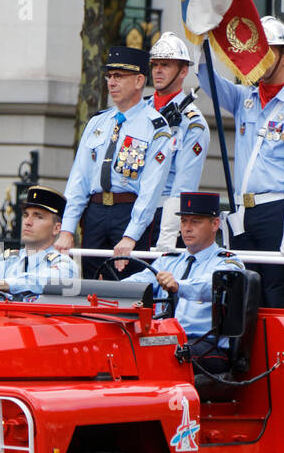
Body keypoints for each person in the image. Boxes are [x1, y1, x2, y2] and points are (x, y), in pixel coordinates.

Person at [198, 15, 284, 308]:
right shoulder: (244, 98)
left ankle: (280, 355)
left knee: (276, 294)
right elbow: (207, 79)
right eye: (258, 52)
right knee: (243, 298)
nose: (262, 59)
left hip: (277, 212)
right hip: (243, 211)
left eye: (270, 53)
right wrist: (201, 40)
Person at [57, 45, 176, 279]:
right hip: (95, 212)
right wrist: (67, 229)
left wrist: (131, 235)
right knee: (92, 284)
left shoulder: (155, 127)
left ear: (139, 80)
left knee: (128, 285)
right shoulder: (98, 122)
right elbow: (78, 179)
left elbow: (151, 189)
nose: (111, 82)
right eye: (109, 76)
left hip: (128, 212)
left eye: (119, 76)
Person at [120, 191, 244, 374]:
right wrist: (114, 288)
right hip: (165, 337)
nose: (187, 228)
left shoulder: (227, 263)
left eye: (195, 222)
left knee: (162, 353)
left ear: (215, 224)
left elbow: (213, 284)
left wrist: (179, 285)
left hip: (206, 345)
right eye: (184, 221)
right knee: (119, 348)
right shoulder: (168, 261)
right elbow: (140, 280)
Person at [144, 32, 210, 252]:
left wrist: (168, 236)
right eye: (155, 65)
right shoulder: (140, 111)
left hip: (162, 213)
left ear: (183, 71)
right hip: (132, 210)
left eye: (166, 65)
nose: (158, 71)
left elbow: (183, 184)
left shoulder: (192, 123)